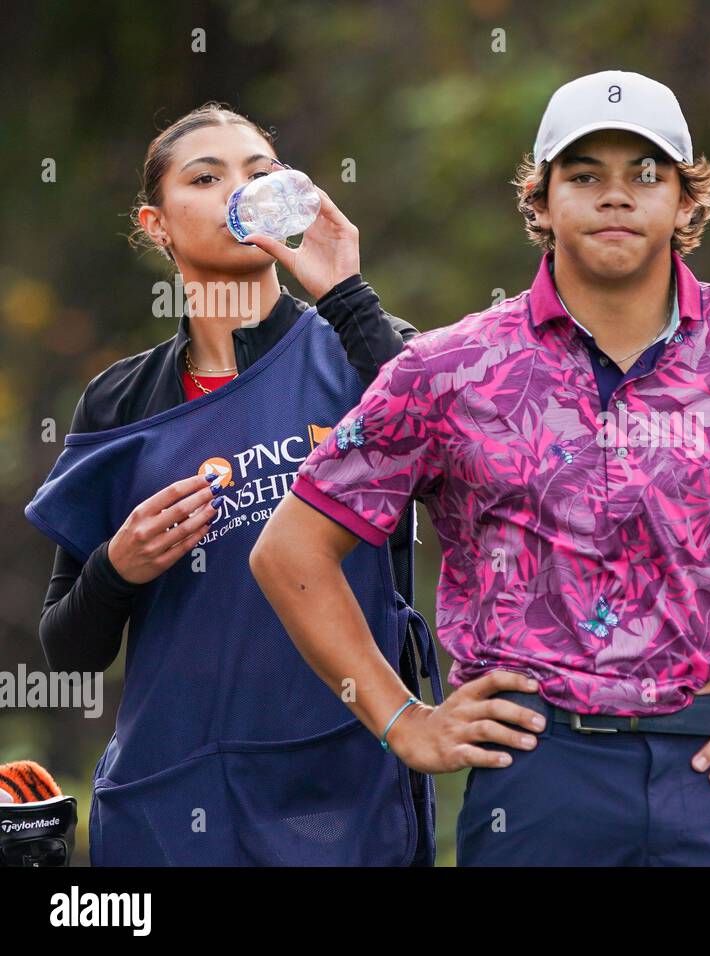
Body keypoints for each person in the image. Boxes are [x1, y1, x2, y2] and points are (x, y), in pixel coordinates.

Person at [250, 70, 710, 866]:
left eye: (645, 175)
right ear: (541, 201)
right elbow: (290, 550)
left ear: (687, 202)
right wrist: (402, 718)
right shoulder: (451, 368)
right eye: (584, 176)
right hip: (537, 775)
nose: (615, 197)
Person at [24, 102, 437, 865]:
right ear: (157, 225)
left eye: (259, 172)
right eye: (207, 177)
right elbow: (69, 649)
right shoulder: (119, 400)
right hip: (167, 800)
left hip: (341, 798)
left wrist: (346, 296)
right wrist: (119, 566)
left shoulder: (360, 350)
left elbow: (452, 457)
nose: (238, 190)